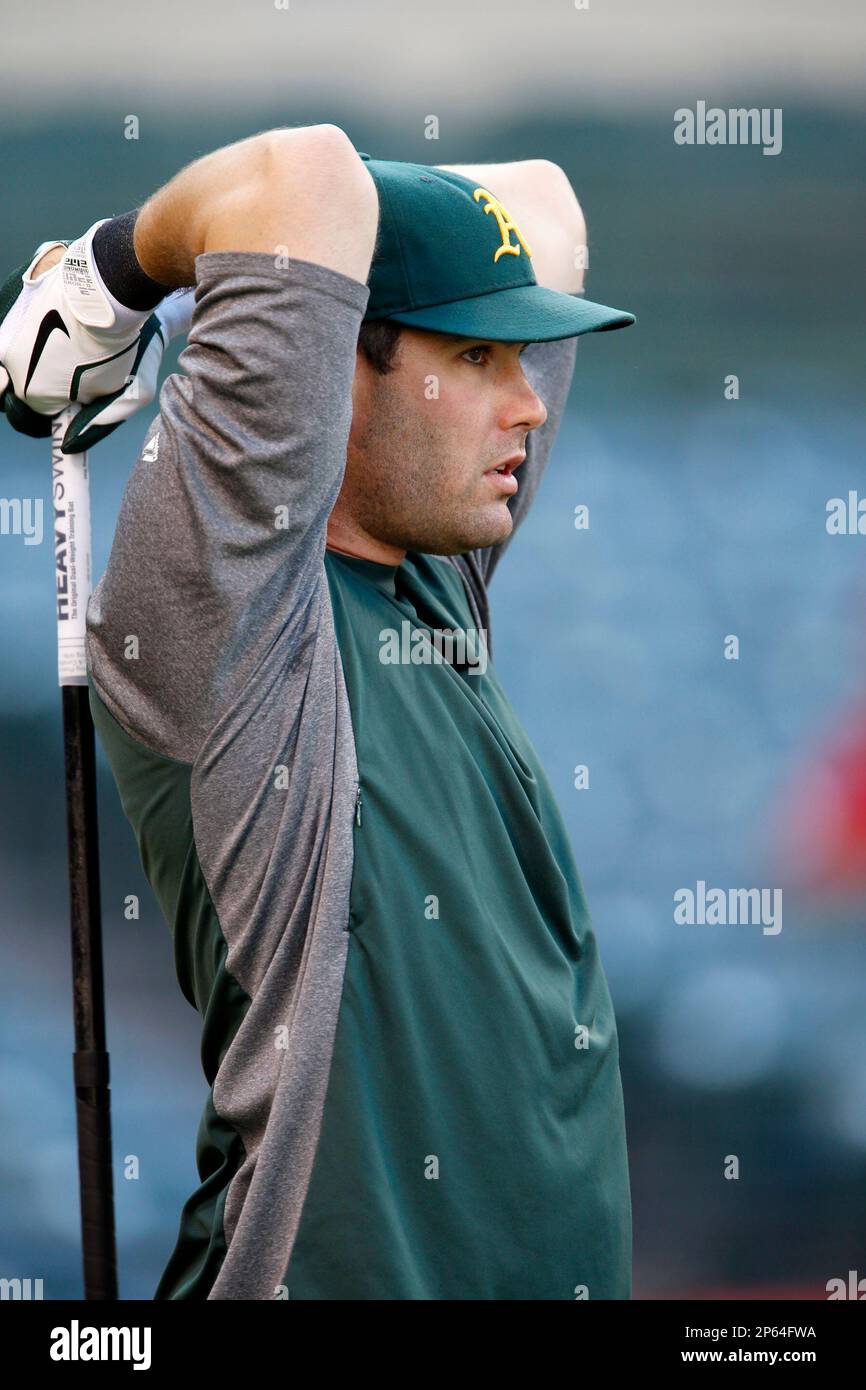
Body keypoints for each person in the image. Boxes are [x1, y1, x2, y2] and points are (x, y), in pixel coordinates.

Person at [0, 125, 636, 1300]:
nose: (530, 407)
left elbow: (540, 201)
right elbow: (308, 181)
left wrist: (429, 261)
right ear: (332, 361)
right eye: (477, 357)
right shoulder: (229, 616)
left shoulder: (437, 576)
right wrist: (102, 276)